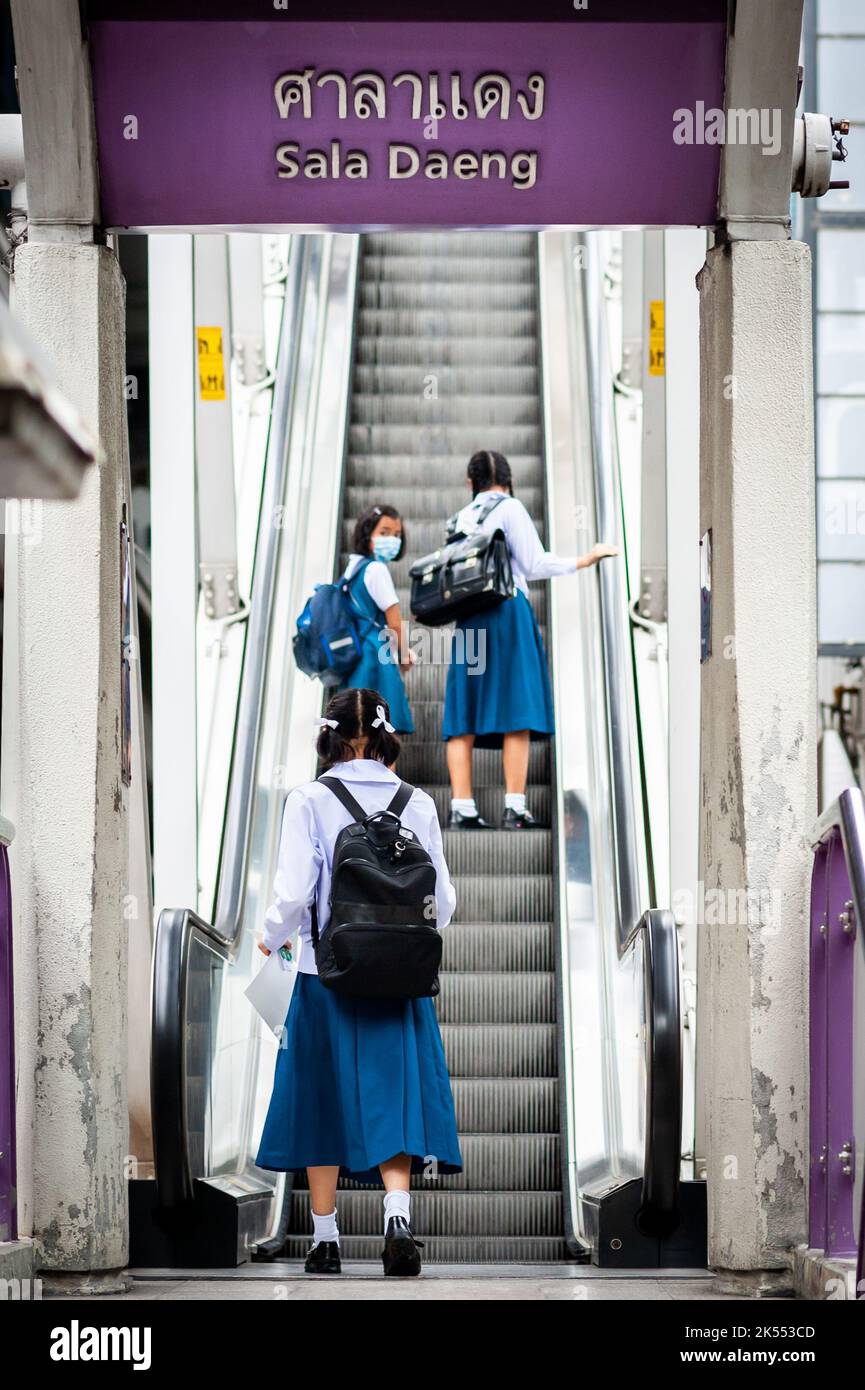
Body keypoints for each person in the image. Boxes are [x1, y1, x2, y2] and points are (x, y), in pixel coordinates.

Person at [254, 687, 462, 1277]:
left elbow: (294, 892)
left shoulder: (310, 800)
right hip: (398, 978)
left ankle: (325, 1240)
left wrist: (272, 936)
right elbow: (440, 904)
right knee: (392, 1095)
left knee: (320, 1098)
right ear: (385, 735)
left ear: (331, 735)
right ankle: (397, 1217)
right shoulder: (416, 802)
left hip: (326, 975)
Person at [443, 450, 619, 829]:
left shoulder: (460, 518)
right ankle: (515, 808)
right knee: (516, 707)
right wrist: (584, 560)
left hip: (469, 618)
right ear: (507, 480)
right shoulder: (510, 509)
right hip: (506, 614)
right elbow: (535, 564)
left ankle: (462, 808)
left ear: (469, 481)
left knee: (463, 711)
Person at [339, 503, 415, 735]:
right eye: (384, 533)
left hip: (355, 657)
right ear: (367, 533)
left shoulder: (352, 568)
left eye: (397, 534)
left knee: (358, 730)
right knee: (383, 734)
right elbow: (394, 622)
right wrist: (403, 655)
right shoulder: (376, 570)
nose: (392, 539)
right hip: (376, 656)